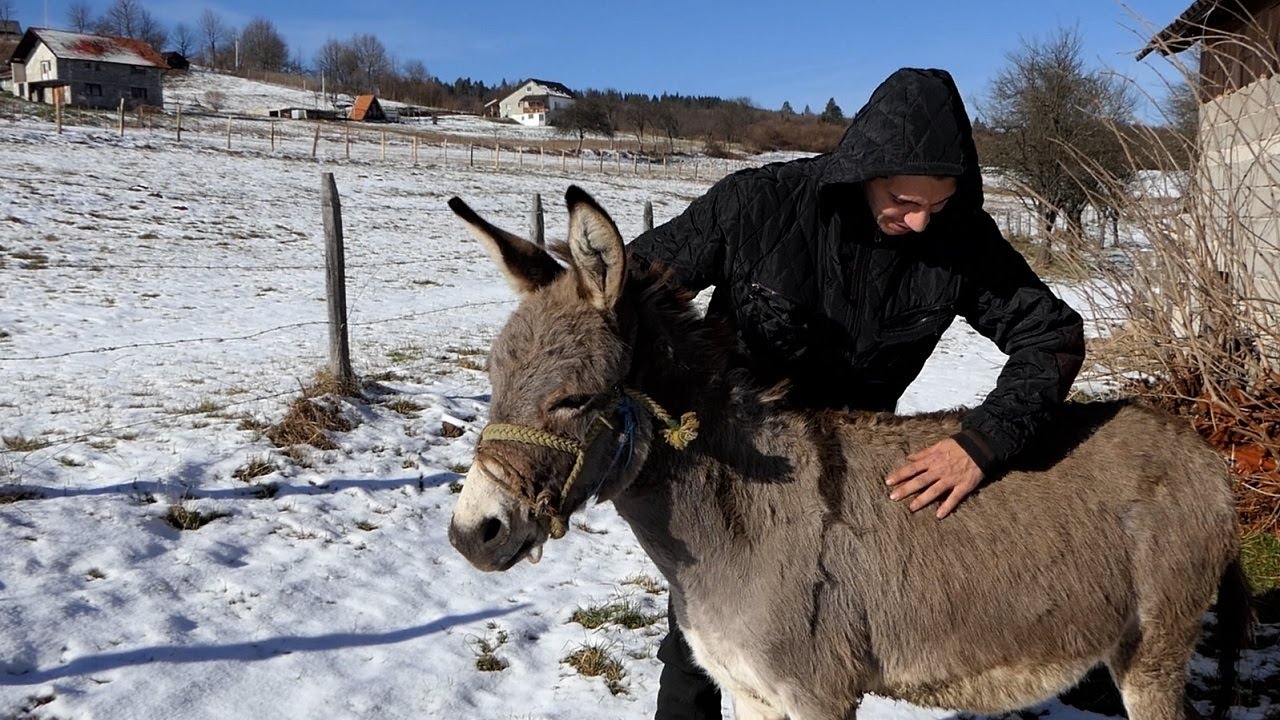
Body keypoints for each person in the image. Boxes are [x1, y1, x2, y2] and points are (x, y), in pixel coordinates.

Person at [626, 68, 1086, 720]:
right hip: (741, 465)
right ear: (863, 170)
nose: (921, 220)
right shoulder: (755, 205)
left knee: (825, 646)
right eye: (903, 198)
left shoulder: (960, 241)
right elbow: (622, 289)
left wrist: (985, 442)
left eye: (940, 201)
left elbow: (1053, 338)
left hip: (853, 482)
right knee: (701, 640)